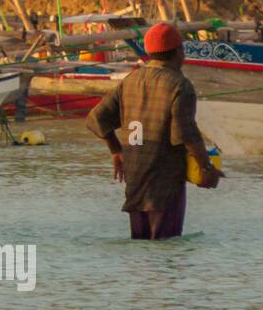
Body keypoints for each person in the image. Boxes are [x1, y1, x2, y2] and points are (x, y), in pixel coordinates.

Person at [85, 21, 222, 240]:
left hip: (135, 181)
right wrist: (206, 167)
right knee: (165, 251)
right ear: (178, 53)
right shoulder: (179, 85)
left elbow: (96, 118)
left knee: (142, 255)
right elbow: (186, 133)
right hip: (165, 185)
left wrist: (116, 150)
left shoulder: (130, 81)